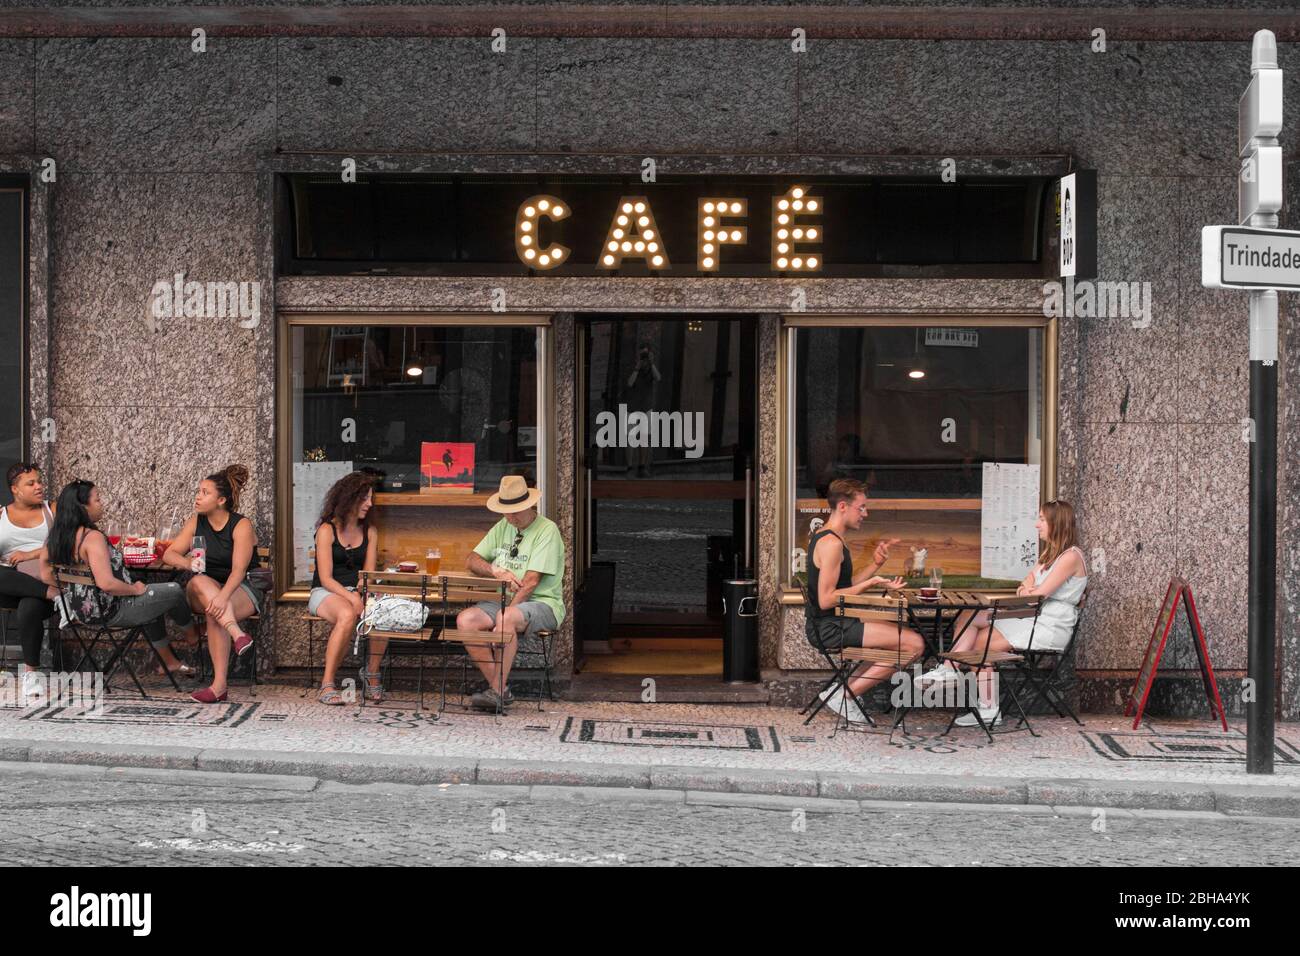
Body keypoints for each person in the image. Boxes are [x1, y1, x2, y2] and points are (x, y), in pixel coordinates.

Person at [915, 499, 1088, 727]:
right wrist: (1028, 589)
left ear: (1057, 523)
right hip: (1032, 618)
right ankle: (952, 672)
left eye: (1042, 519)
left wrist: (1030, 590)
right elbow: (1023, 586)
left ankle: (979, 698)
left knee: (982, 642)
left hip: (1049, 626)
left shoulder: (1071, 556)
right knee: (968, 617)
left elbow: (1037, 595)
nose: (1037, 525)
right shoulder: (1048, 556)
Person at [46, 480, 195, 680]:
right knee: (175, 589)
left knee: (154, 602)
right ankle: (192, 634)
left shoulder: (59, 536)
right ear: (83, 507)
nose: (101, 504)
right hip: (111, 609)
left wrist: (70, 586)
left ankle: (169, 661)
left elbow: (44, 570)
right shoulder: (92, 538)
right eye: (97, 500)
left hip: (81, 611)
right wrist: (135, 590)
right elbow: (106, 583)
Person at [807, 477, 923, 723]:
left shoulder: (828, 537)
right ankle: (845, 696)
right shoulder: (831, 544)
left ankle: (842, 693)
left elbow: (844, 587)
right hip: (830, 627)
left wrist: (875, 565)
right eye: (861, 508)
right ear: (842, 507)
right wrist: (868, 585)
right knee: (913, 645)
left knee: (898, 637)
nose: (865, 514)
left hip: (833, 623)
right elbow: (826, 599)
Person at [456, 475, 564, 711]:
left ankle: (495, 692)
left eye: (515, 511)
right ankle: (501, 689)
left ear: (529, 505)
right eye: (506, 511)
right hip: (501, 600)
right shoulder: (504, 525)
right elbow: (471, 560)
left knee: (505, 619)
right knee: (465, 620)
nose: (510, 516)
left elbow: (531, 582)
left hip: (542, 604)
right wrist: (494, 570)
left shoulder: (547, 530)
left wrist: (504, 616)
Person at [162, 465, 263, 703]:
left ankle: (219, 687)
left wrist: (222, 596)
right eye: (199, 491)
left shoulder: (241, 525)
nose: (198, 496)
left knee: (214, 610)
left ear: (221, 500)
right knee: (200, 582)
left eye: (205, 492)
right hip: (204, 587)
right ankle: (238, 634)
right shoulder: (196, 522)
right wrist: (189, 563)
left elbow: (239, 570)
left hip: (242, 588)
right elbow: (169, 555)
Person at [307, 471, 380, 705]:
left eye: (371, 499)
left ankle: (371, 674)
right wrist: (351, 597)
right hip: (326, 592)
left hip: (355, 591)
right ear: (349, 498)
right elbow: (326, 578)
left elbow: (367, 575)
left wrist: (360, 592)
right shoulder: (327, 530)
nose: (370, 504)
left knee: (382, 613)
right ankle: (327, 683)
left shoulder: (370, 532)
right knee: (347, 614)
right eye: (364, 498)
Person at [0, 463, 61, 696]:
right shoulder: (1, 515)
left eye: (40, 481)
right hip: (10, 584)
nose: (39, 487)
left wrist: (32, 554)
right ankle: (53, 595)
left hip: (45, 577)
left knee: (30, 605)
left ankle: (31, 673)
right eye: (31, 483)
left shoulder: (52, 510)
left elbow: (70, 544)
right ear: (15, 489)